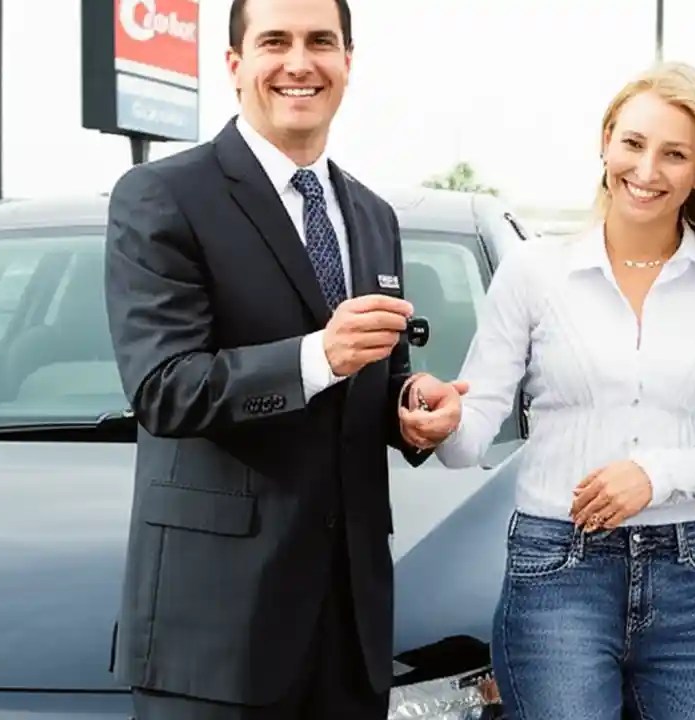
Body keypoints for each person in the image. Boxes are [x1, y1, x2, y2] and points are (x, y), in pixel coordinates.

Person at [102, 0, 464, 717]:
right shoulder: (163, 197)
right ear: (235, 66)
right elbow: (164, 389)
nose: (300, 62)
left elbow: (372, 373)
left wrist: (410, 406)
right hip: (216, 639)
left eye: (320, 42)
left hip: (348, 630)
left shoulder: (373, 216)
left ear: (348, 63)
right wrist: (317, 356)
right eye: (275, 41)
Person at [422, 62, 695, 720]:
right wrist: (439, 420)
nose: (646, 169)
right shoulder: (535, 272)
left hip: (691, 578)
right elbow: (470, 435)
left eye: (674, 154)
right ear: (606, 141)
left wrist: (656, 474)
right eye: (633, 144)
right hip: (558, 570)